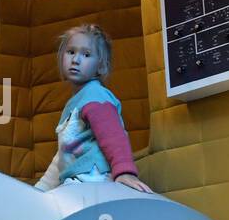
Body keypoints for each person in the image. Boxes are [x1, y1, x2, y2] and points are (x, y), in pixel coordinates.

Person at [34, 23, 154, 193]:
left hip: (93, 180)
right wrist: (40, 189)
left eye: (86, 54)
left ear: (101, 66)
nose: (76, 60)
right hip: (76, 181)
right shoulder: (74, 103)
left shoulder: (95, 95)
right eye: (71, 52)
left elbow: (113, 135)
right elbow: (64, 156)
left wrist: (125, 171)